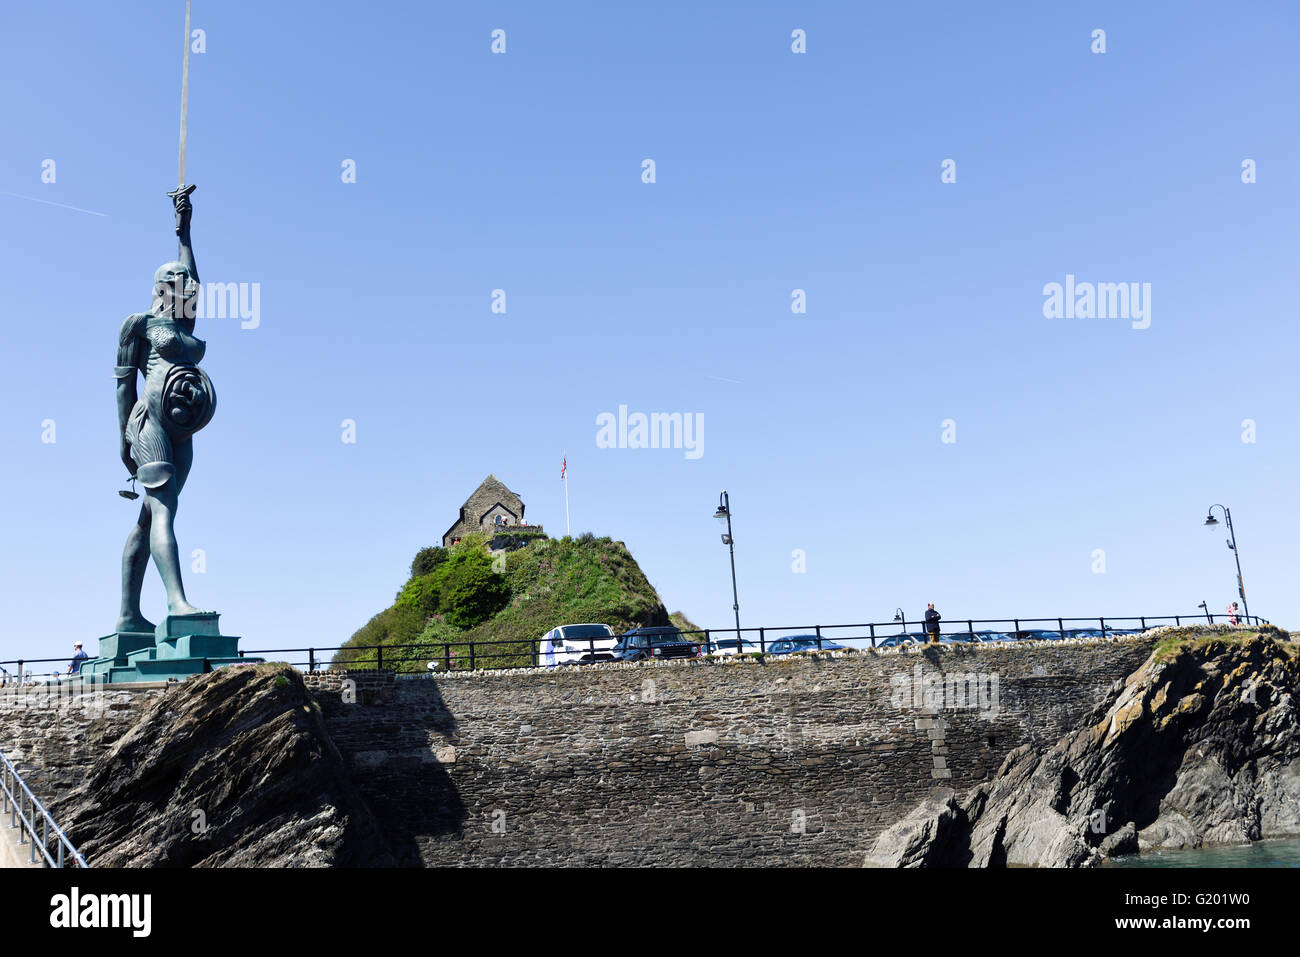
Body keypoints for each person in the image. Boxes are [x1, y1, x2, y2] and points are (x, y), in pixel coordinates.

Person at [114, 187, 214, 632]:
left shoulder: (185, 321)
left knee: (150, 512)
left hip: (183, 428)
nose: (183, 283)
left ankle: (129, 616)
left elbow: (193, 273)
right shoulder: (139, 324)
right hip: (148, 423)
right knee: (164, 508)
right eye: (173, 280)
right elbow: (123, 385)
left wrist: (185, 229)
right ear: (158, 287)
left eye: (184, 281)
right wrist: (123, 438)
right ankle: (177, 602)